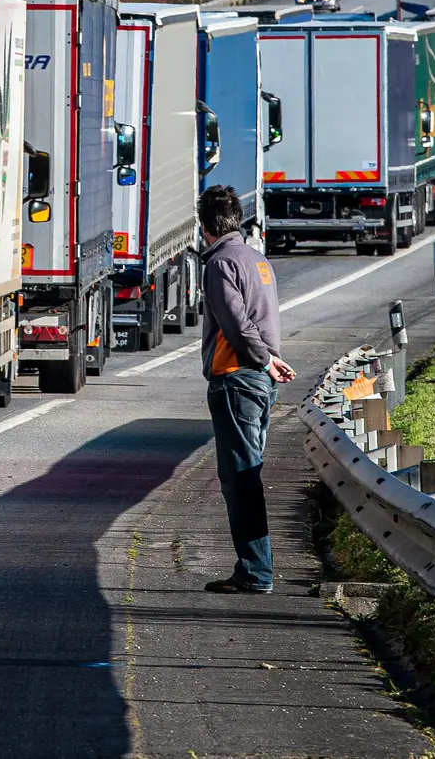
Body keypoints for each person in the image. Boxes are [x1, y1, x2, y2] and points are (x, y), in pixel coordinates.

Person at [197, 185, 293, 595]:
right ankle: (256, 569)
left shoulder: (220, 264)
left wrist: (263, 359)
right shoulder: (257, 260)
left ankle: (255, 572)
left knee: (241, 480)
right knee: (248, 475)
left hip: (238, 377)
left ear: (205, 227)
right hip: (260, 381)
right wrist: (269, 361)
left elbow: (236, 324)